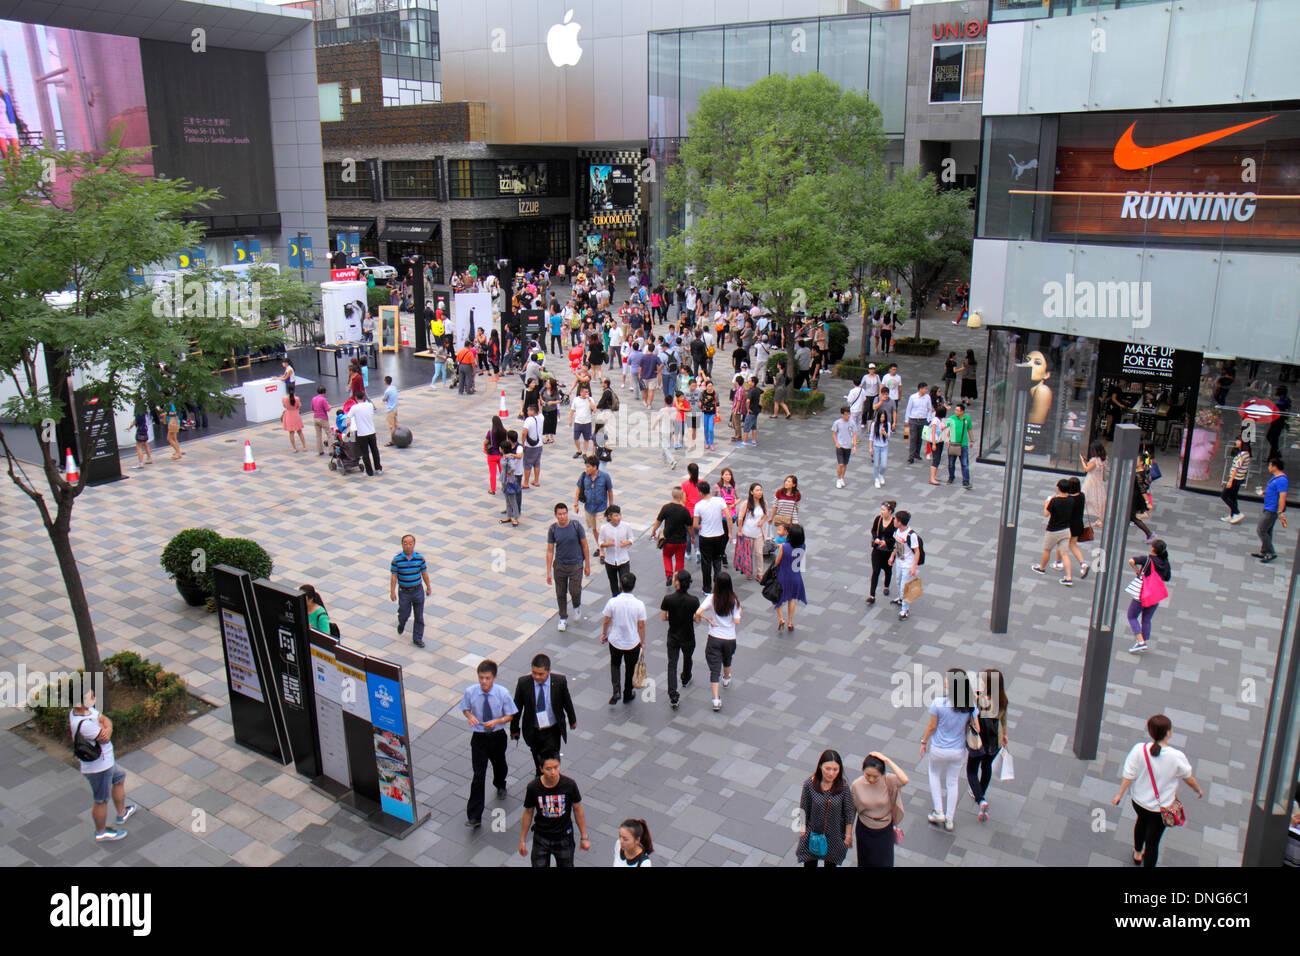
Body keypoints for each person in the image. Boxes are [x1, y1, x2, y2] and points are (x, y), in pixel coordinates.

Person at [1113, 714, 1204, 867]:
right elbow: (1188, 777)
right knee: (1153, 843)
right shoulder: (1176, 756)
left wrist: (1120, 794)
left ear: (1150, 732)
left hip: (1139, 802)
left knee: (1141, 822)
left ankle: (1137, 852)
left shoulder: (1139, 750)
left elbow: (1129, 775)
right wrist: (1198, 790)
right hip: (1162, 808)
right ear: (1168, 733)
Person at [71, 689, 136, 842]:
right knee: (101, 800)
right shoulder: (84, 724)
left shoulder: (87, 710)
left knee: (119, 778)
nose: (94, 698)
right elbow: (105, 737)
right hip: (98, 768)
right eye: (90, 697)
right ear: (79, 703)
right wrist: (106, 727)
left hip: (107, 762)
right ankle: (101, 832)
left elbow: (105, 720)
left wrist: (107, 727)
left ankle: (121, 813)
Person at [920, 668, 980, 832]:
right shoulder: (970, 705)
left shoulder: (938, 703)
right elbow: (977, 728)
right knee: (952, 782)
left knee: (934, 774)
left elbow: (932, 726)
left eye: (947, 679)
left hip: (939, 748)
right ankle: (949, 819)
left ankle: (938, 810)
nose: (945, 681)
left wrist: (924, 742)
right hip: (958, 750)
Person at [510, 654, 577, 776]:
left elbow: (567, 701)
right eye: (534, 673)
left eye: (540, 674)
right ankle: (540, 773)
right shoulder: (524, 683)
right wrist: (514, 729)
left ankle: (551, 776)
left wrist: (572, 720)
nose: (536, 677)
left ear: (549, 671)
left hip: (552, 729)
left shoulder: (559, 682)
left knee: (551, 757)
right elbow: (517, 708)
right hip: (533, 730)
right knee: (537, 755)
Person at [520, 752, 589, 866]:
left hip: (564, 837)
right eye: (548, 769)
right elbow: (528, 812)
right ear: (541, 769)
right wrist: (522, 840)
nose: (553, 772)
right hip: (541, 836)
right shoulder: (533, 787)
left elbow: (577, 809)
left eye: (556, 767)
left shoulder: (569, 785)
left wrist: (584, 837)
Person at [795, 749, 855, 868]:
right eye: (828, 769)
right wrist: (803, 830)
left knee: (831, 864)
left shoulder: (843, 787)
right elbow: (803, 808)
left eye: (835, 769)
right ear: (820, 767)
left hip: (834, 836)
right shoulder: (809, 785)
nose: (831, 773)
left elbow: (849, 812)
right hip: (813, 834)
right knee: (810, 863)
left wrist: (848, 836)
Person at [851, 752, 908, 868]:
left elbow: (904, 780)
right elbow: (852, 810)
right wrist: (848, 834)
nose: (871, 779)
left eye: (875, 776)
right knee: (865, 862)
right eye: (867, 775)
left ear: (882, 774)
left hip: (884, 830)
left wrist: (887, 760)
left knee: (884, 862)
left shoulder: (889, 781)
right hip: (864, 829)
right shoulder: (856, 785)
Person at [967, 669, 1009, 823]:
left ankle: (980, 799)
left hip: (979, 742)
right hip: (995, 741)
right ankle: (981, 791)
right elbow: (1004, 720)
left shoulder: (979, 700)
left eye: (983, 680)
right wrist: (1004, 735)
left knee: (971, 771)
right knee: (987, 767)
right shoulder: (1002, 700)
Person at [695, 571, 741, 712]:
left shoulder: (711, 598)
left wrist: (708, 620)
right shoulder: (734, 601)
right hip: (729, 638)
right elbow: (737, 621)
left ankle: (716, 699)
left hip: (714, 637)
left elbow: (698, 612)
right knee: (727, 660)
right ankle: (726, 678)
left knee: (714, 669)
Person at [601, 571, 646, 705]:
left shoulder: (613, 602)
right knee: (630, 668)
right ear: (634, 586)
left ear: (620, 585)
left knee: (615, 664)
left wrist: (604, 633)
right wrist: (643, 642)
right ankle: (628, 692)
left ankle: (616, 690)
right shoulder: (639, 605)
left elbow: (606, 620)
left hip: (615, 640)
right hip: (632, 642)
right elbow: (641, 626)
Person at [546, 503, 591, 633]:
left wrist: (587, 565)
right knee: (560, 593)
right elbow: (550, 551)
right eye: (560, 514)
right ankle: (563, 617)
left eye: (564, 513)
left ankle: (576, 606)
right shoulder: (553, 529)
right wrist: (548, 571)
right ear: (555, 515)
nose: (562, 516)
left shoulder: (576, 526)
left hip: (575, 564)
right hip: (560, 565)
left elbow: (585, 545)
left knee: (575, 590)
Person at [660, 569, 700, 710]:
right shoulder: (694, 600)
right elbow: (697, 619)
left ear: (677, 583)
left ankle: (673, 694)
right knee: (687, 657)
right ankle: (686, 677)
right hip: (688, 635)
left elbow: (664, 617)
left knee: (672, 663)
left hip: (673, 636)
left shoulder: (668, 599)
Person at [1126, 539, 1172, 653]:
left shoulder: (1147, 560)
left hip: (1143, 593)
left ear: (1152, 549)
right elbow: (1167, 578)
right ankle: (1143, 641)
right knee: (1146, 619)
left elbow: (1131, 561)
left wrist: (1137, 571)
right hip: (1155, 595)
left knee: (1131, 616)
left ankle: (1141, 642)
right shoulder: (1165, 563)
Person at [1032, 478, 1076, 587]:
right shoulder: (1071, 500)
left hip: (1053, 530)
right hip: (1066, 530)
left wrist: (1047, 503)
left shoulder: (1054, 501)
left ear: (1058, 488)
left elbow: (1046, 514)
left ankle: (1041, 568)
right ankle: (1069, 577)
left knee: (1047, 549)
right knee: (1065, 553)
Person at [390, 534, 431, 647]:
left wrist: (428, 587)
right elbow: (394, 576)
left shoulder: (419, 558)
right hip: (404, 592)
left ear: (414, 544)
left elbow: (424, 573)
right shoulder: (397, 560)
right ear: (402, 544)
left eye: (410, 543)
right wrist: (392, 591)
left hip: (418, 590)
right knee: (404, 612)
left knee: (419, 616)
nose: (408, 546)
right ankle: (401, 623)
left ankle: (417, 638)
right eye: (405, 543)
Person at [693, 480, 730, 595]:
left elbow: (695, 524)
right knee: (717, 560)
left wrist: (701, 527)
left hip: (705, 537)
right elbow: (728, 517)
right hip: (719, 535)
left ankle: (707, 588)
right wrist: (729, 533)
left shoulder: (698, 505)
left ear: (700, 492)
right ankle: (719, 585)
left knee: (706, 563)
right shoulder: (720, 500)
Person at [652, 487, 693, 586]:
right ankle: (677, 578)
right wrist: (693, 537)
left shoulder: (666, 508)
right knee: (679, 560)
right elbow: (689, 527)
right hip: (681, 541)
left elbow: (658, 521)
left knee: (667, 556)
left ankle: (669, 575)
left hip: (668, 541)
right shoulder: (685, 511)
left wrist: (653, 531)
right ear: (681, 496)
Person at [773, 523, 807, 631]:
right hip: (796, 576)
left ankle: (781, 619)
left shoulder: (784, 547)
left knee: (778, 598)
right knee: (791, 599)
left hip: (783, 575)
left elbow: (777, 562)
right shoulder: (803, 546)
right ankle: (790, 622)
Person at [1254, 457, 1288, 564]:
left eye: (1270, 465)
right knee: (1267, 531)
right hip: (1268, 506)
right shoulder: (1275, 478)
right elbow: (1272, 490)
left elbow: (1282, 497)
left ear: (1274, 466)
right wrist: (1264, 492)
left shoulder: (1282, 480)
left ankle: (1271, 552)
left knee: (1261, 530)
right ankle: (1264, 551)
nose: (1269, 467)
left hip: (1272, 509)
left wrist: (1280, 512)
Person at [575, 455, 614, 541]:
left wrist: (611, 506)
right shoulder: (584, 476)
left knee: (601, 530)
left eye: (588, 467)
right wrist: (576, 504)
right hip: (589, 507)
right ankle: (600, 547)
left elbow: (610, 491)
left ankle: (603, 548)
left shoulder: (605, 477)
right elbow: (578, 489)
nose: (587, 469)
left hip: (601, 508)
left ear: (595, 467)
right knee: (594, 529)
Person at [598, 505, 634, 595]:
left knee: (625, 582)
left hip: (623, 560)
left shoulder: (626, 526)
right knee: (613, 584)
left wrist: (626, 543)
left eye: (619, 515)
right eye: (616, 515)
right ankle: (615, 601)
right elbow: (600, 542)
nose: (619, 518)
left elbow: (631, 538)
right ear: (610, 517)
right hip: (610, 561)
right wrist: (608, 544)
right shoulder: (604, 528)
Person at [735, 482, 767, 582]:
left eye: (760, 490)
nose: (759, 492)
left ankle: (760, 573)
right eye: (757, 490)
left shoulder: (764, 503)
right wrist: (739, 530)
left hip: (758, 533)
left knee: (759, 553)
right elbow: (740, 518)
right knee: (748, 553)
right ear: (751, 492)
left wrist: (762, 521)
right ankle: (748, 571)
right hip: (747, 532)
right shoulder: (746, 503)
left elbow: (766, 514)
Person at [891, 509, 920, 621]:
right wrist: (892, 556)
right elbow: (897, 545)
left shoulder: (911, 535)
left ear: (900, 522)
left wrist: (914, 567)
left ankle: (905, 609)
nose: (894, 521)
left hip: (907, 564)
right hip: (899, 561)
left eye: (896, 519)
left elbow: (917, 551)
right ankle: (901, 598)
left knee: (904, 587)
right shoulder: (897, 531)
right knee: (898, 581)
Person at [867, 500, 897, 606]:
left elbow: (896, 538)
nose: (882, 512)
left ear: (890, 512)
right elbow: (874, 530)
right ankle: (872, 595)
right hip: (877, 550)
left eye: (884, 510)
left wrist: (887, 542)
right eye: (882, 510)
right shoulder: (878, 519)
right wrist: (876, 538)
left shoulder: (894, 523)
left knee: (888, 570)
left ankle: (886, 586)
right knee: (875, 571)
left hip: (888, 552)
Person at [345, 392, 382, 476]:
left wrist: (349, 427)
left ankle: (369, 472)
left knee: (365, 453)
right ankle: (378, 468)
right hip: (372, 431)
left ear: (356, 398)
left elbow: (348, 419)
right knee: (375, 450)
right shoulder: (370, 405)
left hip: (362, 434)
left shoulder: (354, 408)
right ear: (364, 397)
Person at [1220, 435, 1251, 524]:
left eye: (1238, 440)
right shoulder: (1245, 453)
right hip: (1239, 478)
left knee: (1224, 495)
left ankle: (1237, 513)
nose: (1236, 442)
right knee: (1233, 497)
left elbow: (1236, 468)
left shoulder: (1243, 454)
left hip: (1236, 479)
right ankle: (1232, 514)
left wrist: (1230, 480)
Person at [945, 402, 973, 488]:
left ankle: (966, 481)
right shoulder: (951, 418)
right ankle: (951, 477)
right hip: (953, 443)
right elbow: (947, 430)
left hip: (963, 444)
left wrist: (972, 440)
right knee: (951, 463)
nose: (955, 411)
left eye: (958, 410)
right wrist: (947, 440)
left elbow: (970, 430)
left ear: (962, 412)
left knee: (964, 463)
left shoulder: (967, 419)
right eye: (955, 410)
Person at [905, 381, 933, 464]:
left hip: (923, 420)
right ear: (920, 389)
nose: (926, 390)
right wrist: (906, 420)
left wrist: (928, 419)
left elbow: (929, 409)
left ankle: (917, 453)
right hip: (913, 419)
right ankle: (911, 456)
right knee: (913, 437)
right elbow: (908, 409)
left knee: (920, 438)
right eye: (925, 389)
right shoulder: (913, 397)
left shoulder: (927, 397)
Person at [499, 432, 524, 526]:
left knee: (513, 499)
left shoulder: (511, 455)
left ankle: (516, 517)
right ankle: (509, 515)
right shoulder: (505, 455)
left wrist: (510, 472)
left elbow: (513, 465)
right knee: (507, 500)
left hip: (511, 480)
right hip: (504, 480)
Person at [1081, 440, 1107, 528]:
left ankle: (1079, 513)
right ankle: (1100, 519)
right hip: (1098, 482)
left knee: (1085, 497)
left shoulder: (1095, 460)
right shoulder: (1103, 459)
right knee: (1098, 500)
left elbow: (1087, 469)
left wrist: (1082, 461)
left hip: (1091, 481)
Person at [831, 405, 858, 489]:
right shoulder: (837, 423)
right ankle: (838, 479)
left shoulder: (852, 422)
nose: (848, 416)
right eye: (846, 414)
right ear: (842, 414)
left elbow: (854, 434)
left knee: (845, 464)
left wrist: (854, 445)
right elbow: (834, 433)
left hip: (848, 446)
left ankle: (842, 477)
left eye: (849, 414)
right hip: (840, 446)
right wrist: (837, 443)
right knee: (840, 464)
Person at [570, 382, 595, 458]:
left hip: (587, 422)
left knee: (586, 438)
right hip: (578, 421)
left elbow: (594, 409)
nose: (586, 393)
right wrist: (570, 420)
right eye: (585, 392)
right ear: (581, 392)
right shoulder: (576, 399)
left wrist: (589, 400)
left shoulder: (590, 399)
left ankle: (584, 452)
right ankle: (579, 450)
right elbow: (572, 410)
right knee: (576, 438)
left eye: (587, 392)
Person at [521, 403, 544, 487]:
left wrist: (523, 442)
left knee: (528, 464)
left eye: (528, 410)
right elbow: (540, 411)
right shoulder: (541, 417)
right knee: (537, 463)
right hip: (539, 444)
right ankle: (536, 481)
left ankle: (526, 482)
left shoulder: (529, 420)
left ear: (532, 411)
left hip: (530, 446)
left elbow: (524, 432)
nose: (527, 412)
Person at [484, 414, 507, 495]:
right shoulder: (505, 432)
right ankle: (504, 487)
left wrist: (485, 450)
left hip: (492, 456)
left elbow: (485, 442)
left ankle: (493, 489)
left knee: (492, 474)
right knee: (503, 472)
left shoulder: (490, 432)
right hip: (501, 455)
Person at [869, 408, 891, 489]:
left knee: (884, 464)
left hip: (884, 446)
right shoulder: (874, 425)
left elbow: (888, 437)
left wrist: (884, 432)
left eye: (884, 417)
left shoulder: (887, 424)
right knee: (876, 464)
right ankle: (876, 479)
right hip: (876, 446)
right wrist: (870, 448)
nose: (882, 419)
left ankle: (881, 474)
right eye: (881, 417)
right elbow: (871, 437)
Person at [881, 363, 903, 430]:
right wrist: (881, 396)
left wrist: (899, 395)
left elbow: (900, 387)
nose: (894, 371)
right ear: (890, 369)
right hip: (887, 397)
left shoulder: (898, 377)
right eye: (893, 369)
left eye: (896, 369)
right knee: (885, 411)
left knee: (894, 411)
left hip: (895, 397)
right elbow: (882, 386)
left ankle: (893, 425)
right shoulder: (886, 377)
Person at [742, 375, 762, 446]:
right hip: (756, 410)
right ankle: (754, 441)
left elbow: (748, 401)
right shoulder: (757, 389)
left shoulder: (751, 391)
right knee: (754, 426)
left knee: (746, 426)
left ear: (753, 383)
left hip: (751, 411)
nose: (748, 382)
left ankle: (744, 442)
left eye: (750, 381)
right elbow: (762, 393)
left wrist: (748, 409)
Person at [381, 375, 399, 444]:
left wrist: (384, 399)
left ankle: (392, 441)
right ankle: (398, 437)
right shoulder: (394, 388)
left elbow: (384, 399)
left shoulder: (387, 391)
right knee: (396, 424)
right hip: (395, 408)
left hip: (390, 410)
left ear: (385, 382)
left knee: (391, 426)